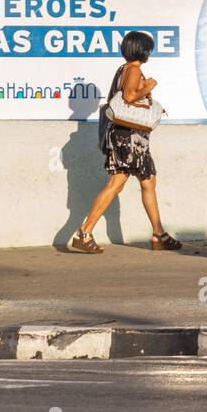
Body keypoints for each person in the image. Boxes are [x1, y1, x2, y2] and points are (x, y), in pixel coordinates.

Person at [70, 30, 181, 253]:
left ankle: (158, 234)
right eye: (148, 49)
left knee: (148, 182)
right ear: (142, 50)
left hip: (131, 137)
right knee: (116, 184)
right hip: (128, 137)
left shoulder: (124, 69)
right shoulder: (133, 69)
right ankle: (84, 232)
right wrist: (148, 87)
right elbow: (129, 97)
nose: (150, 53)